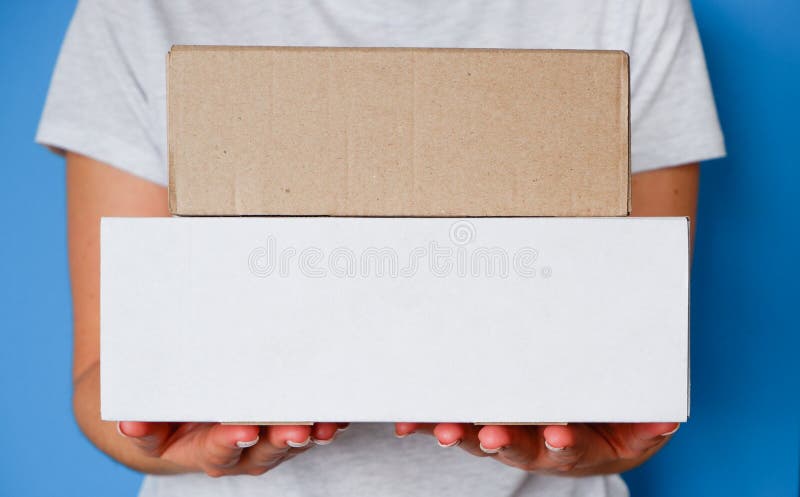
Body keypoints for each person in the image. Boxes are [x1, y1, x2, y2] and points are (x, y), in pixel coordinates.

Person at [37, 0, 725, 496]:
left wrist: (601, 453)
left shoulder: (635, 8)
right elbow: (109, 380)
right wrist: (170, 439)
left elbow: (639, 351)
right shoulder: (136, 11)